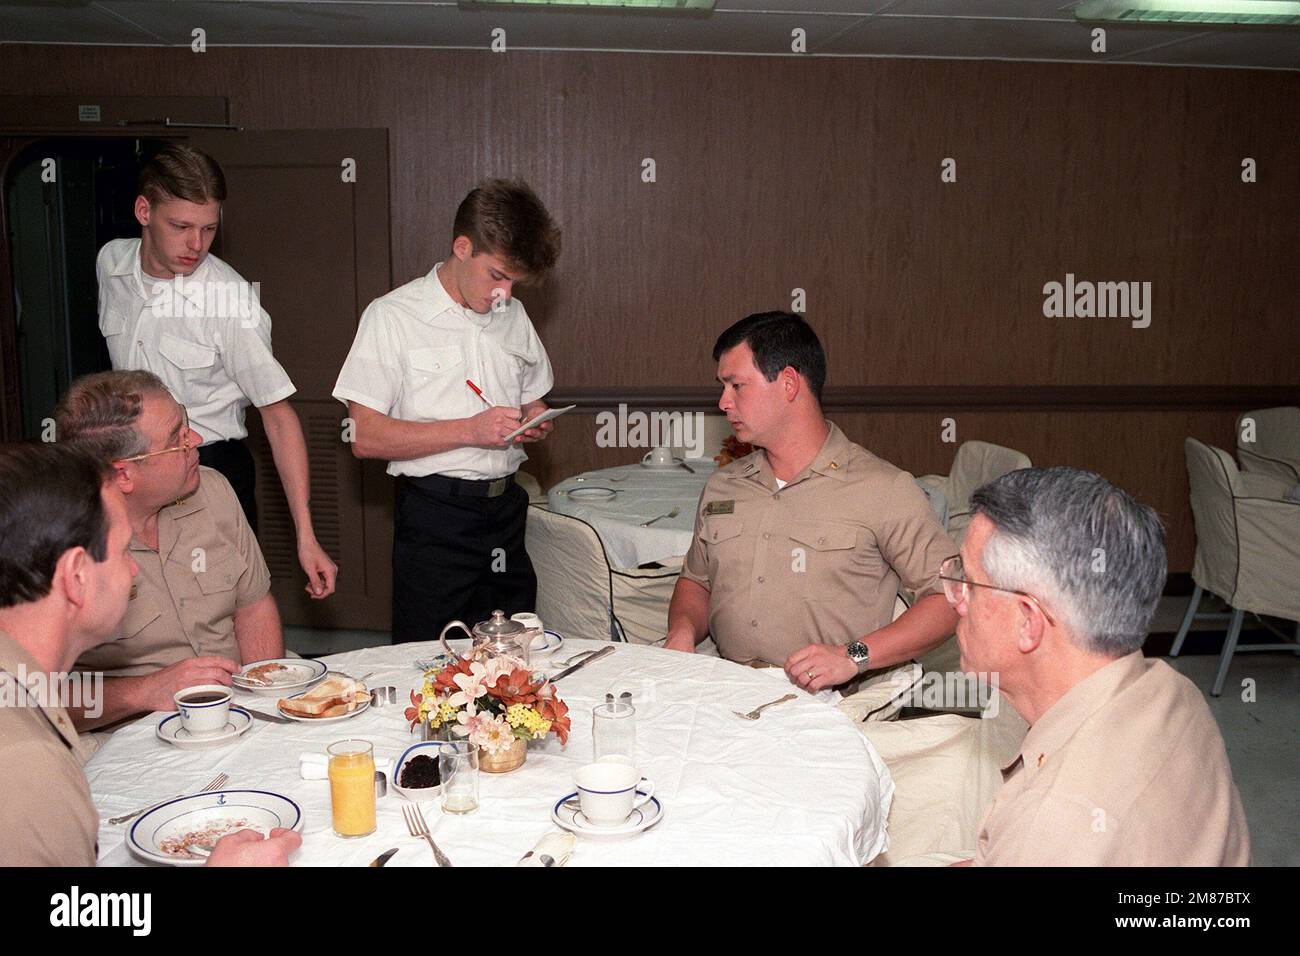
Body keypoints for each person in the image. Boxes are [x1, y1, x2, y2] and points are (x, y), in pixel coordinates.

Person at [0, 441, 300, 866]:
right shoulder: (26, 769)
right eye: (123, 550)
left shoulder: (18, 688)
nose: (134, 569)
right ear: (77, 577)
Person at [943, 467, 1249, 865]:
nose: (954, 599)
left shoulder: (1056, 825)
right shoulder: (1171, 689)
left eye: (968, 580)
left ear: (1027, 622)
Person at [664, 312, 959, 699]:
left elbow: (950, 600)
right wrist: (683, 631)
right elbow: (696, 581)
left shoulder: (882, 488)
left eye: (737, 386)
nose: (723, 402)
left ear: (788, 383)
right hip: (726, 690)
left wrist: (853, 656)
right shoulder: (724, 486)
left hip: (832, 707)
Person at [96, 143, 336, 599]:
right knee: (135, 609)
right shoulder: (110, 264)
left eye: (208, 229)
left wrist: (306, 535)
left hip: (207, 469)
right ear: (143, 210)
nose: (196, 245)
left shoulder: (231, 301)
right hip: (130, 470)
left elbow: (279, 417)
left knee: (215, 612)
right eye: (181, 226)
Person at [334, 179, 561, 642]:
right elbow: (364, 437)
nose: (505, 294)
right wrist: (471, 430)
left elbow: (532, 397)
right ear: (462, 247)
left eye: (515, 282)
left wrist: (534, 420)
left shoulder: (511, 314)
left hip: (506, 511)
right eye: (498, 275)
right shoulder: (392, 316)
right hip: (437, 517)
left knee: (515, 660)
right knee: (431, 660)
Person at [53, 370, 283, 731]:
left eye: (186, 423)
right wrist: (142, 692)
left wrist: (265, 705)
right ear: (124, 475)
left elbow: (253, 606)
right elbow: (27, 700)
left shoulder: (213, 491)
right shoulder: (55, 546)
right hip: (124, 739)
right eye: (177, 439)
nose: (197, 439)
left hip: (239, 713)